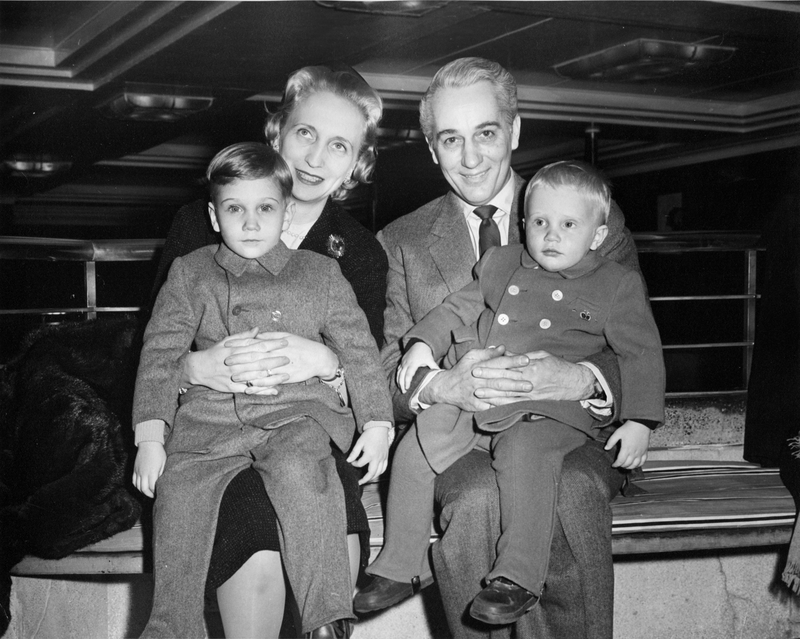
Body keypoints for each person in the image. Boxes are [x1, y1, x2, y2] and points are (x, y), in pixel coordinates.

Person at [362, 57, 642, 639]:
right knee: (470, 496)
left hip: (568, 432)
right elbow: (383, 372)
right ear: (432, 149)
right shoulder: (400, 242)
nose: (470, 159)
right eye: (450, 140)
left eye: (486, 134)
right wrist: (440, 385)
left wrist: (582, 380)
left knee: (569, 489)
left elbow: (633, 339)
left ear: (514, 131)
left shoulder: (587, 215)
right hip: (460, 431)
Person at [151, 66, 389, 639]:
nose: (315, 158)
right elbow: (150, 350)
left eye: (339, 146)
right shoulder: (197, 229)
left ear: (357, 163)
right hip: (212, 431)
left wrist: (325, 362)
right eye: (306, 134)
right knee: (248, 531)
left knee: (319, 508)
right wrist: (197, 368)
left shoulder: (358, 253)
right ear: (277, 132)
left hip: (308, 433)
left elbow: (365, 363)